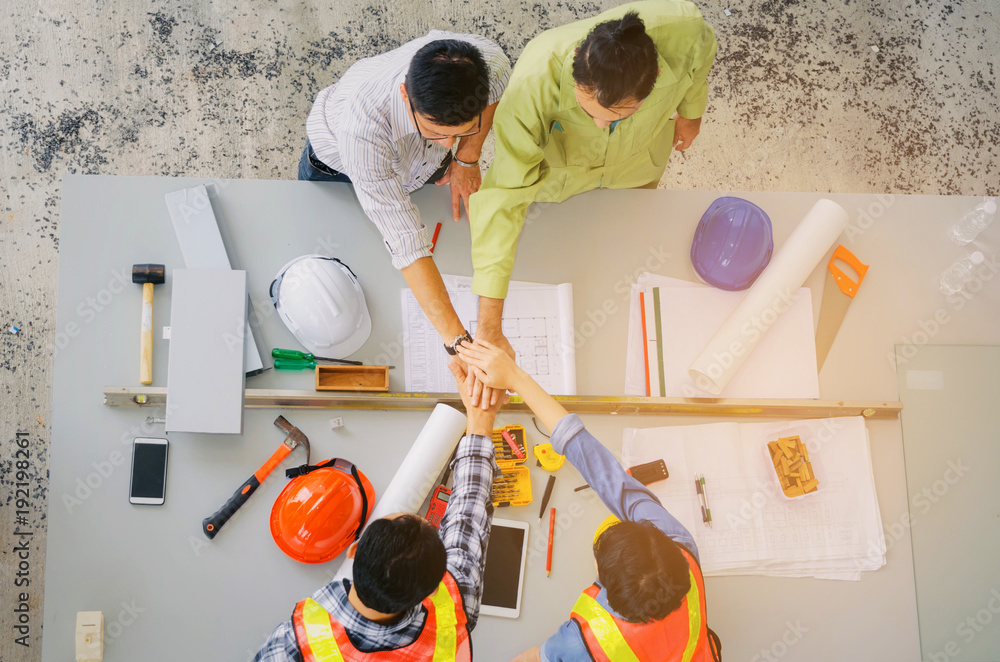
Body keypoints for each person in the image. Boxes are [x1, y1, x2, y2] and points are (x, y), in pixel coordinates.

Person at [464, 2, 717, 399]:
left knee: (623, 267)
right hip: (562, 185)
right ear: (577, 63)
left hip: (636, 169)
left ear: (652, 80)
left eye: (617, 116)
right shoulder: (533, 82)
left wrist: (691, 112)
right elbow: (504, 199)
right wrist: (489, 326)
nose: (600, 125)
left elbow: (699, 64)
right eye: (589, 112)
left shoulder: (687, 30)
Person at [457, 339, 722, 662]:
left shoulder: (584, 642)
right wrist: (515, 378)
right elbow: (600, 468)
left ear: (604, 586)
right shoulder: (678, 546)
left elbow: (533, 659)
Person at [301, 32, 512, 406]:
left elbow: (495, 89)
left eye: (460, 132)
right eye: (435, 131)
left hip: (417, 166)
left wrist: (466, 158)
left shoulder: (488, 62)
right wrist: (460, 344)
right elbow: (407, 243)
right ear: (405, 95)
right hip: (339, 170)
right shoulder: (361, 129)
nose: (447, 143)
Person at [253, 361, 502, 661]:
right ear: (432, 590)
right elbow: (468, 517)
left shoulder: (295, 643)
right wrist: (481, 420)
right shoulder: (453, 606)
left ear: (353, 550)